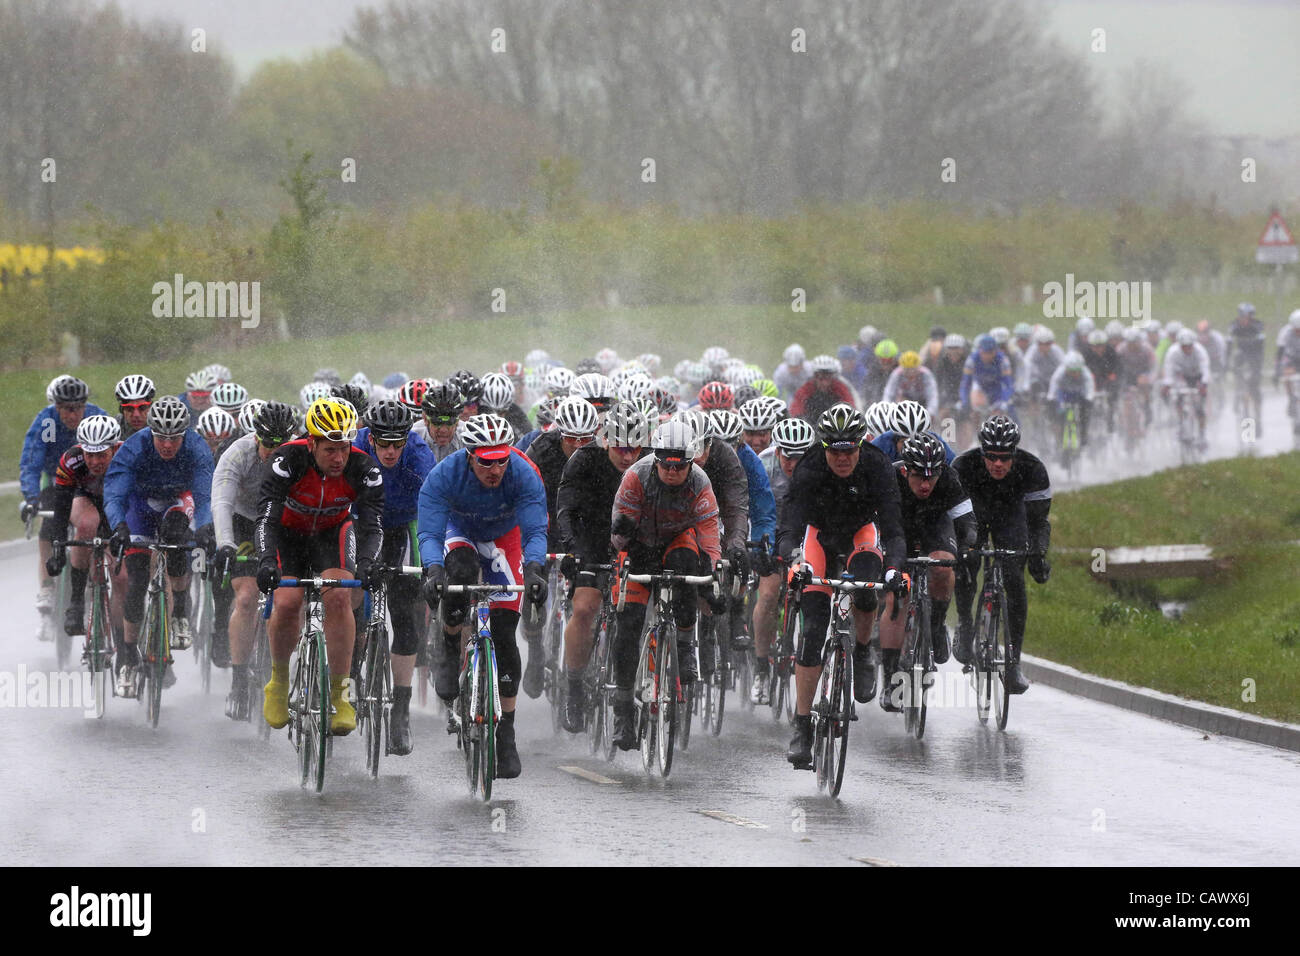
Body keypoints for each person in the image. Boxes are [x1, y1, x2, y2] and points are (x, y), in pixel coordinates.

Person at [417, 414, 548, 779]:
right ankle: (448, 640)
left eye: (502, 459)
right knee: (457, 573)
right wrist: (433, 569)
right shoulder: (444, 475)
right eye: (487, 462)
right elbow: (428, 532)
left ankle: (506, 731)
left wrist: (535, 568)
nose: (496, 469)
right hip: (458, 533)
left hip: (504, 538)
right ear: (470, 455)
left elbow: (536, 528)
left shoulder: (523, 472)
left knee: (505, 634)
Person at [776, 404, 906, 768]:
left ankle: (863, 652)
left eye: (850, 449)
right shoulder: (810, 468)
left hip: (860, 536)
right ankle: (802, 726)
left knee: (868, 585)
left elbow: (894, 528)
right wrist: (795, 561)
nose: (843, 458)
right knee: (814, 630)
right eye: (835, 450)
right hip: (819, 538)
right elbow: (791, 525)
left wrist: (895, 569)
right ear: (825, 447)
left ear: (861, 445)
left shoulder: (878, 466)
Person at [255, 398, 383, 736]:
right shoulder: (287, 460)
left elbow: (372, 525)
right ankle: (279, 683)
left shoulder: (364, 468)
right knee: (286, 602)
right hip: (287, 534)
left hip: (331, 533)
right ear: (310, 443)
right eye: (329, 450)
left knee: (339, 597)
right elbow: (266, 518)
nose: (339, 458)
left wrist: (368, 563)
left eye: (344, 448)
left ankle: (341, 694)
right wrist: (267, 559)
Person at [607, 419, 721, 750]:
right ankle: (623, 708)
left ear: (690, 463)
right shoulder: (635, 477)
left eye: (680, 466)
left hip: (677, 541)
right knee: (628, 623)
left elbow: (710, 534)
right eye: (665, 465)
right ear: (655, 459)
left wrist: (711, 574)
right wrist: (623, 532)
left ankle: (684, 647)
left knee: (689, 568)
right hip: (640, 545)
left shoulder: (700, 482)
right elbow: (618, 538)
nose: (672, 472)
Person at [103, 397, 215, 695]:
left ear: (184, 435)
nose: (167, 445)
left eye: (174, 438)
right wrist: (119, 526)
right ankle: (128, 657)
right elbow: (115, 494)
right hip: (140, 507)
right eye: (161, 437)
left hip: (178, 501)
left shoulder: (196, 447)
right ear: (150, 432)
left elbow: (205, 495)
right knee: (137, 581)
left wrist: (204, 526)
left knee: (178, 538)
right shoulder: (134, 447)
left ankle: (179, 612)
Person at [554, 402, 652, 731]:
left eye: (635, 449)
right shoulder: (584, 459)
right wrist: (571, 552)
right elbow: (566, 510)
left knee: (634, 616)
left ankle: (631, 690)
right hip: (590, 538)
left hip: (633, 539)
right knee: (584, 608)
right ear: (607, 440)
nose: (628, 457)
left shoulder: (651, 464)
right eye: (622, 448)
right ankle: (575, 688)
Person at [353, 399, 436, 754]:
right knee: (352, 602)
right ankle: (351, 677)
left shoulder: (419, 454)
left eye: (396, 444)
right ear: (370, 438)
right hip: (360, 523)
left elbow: (433, 505)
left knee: (406, 616)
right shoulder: (354, 446)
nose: (389, 451)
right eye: (382, 443)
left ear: (406, 439)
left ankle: (400, 712)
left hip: (403, 525)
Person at [951, 417, 1050, 695]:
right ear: (982, 453)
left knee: (1014, 580)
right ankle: (965, 623)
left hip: (1011, 518)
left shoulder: (1032, 469)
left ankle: (1013, 663)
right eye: (991, 457)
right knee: (968, 562)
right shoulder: (963, 466)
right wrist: (962, 548)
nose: (998, 464)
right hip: (973, 517)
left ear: (1014, 454)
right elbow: (952, 516)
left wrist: (1039, 554)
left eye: (1004, 458)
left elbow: (1039, 522)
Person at [877, 434, 975, 711]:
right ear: (905, 469)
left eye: (932, 477)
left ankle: (936, 626)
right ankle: (890, 680)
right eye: (919, 476)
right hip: (899, 531)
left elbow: (967, 521)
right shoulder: (890, 479)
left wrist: (967, 547)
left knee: (944, 565)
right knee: (897, 598)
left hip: (935, 527)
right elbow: (875, 522)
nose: (925, 484)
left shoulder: (949, 479)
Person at [211, 401, 296, 710]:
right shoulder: (239, 453)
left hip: (286, 521)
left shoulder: (302, 454)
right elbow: (221, 501)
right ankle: (238, 681)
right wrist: (225, 544)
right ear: (255, 436)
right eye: (266, 443)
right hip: (245, 520)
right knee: (246, 598)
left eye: (280, 444)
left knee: (292, 597)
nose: (272, 451)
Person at [516, 396, 599, 699]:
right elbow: (522, 491)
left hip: (581, 526)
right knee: (534, 589)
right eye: (571, 439)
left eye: (585, 440)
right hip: (546, 523)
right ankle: (537, 651)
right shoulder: (540, 450)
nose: (578, 446)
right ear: (558, 434)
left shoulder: (601, 452)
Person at [20, 375, 106, 628]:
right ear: (56, 406)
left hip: (90, 485)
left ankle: (93, 571)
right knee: (48, 526)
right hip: (57, 484)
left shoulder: (97, 416)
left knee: (97, 527)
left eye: (78, 407)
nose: (73, 414)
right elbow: (31, 461)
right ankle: (47, 586)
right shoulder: (45, 421)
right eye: (67, 409)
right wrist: (31, 498)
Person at [44, 416, 128, 647]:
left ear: (114, 448)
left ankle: (124, 645)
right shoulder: (71, 460)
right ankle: (76, 601)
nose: (94, 461)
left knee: (121, 578)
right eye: (89, 455)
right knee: (86, 525)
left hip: (119, 503)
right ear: (82, 449)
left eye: (101, 455)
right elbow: (61, 507)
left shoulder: (127, 455)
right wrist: (58, 547)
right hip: (86, 498)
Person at [750, 416, 818, 702]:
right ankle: (761, 669)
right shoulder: (763, 465)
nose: (793, 464)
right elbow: (752, 507)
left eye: (800, 457)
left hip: (806, 532)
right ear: (777, 451)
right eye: (788, 457)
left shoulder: (819, 467)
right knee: (767, 595)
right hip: (773, 529)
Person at [1161, 328, 1212, 448]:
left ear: (1193, 344)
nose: (1187, 349)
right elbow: (1169, 370)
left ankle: (1202, 435)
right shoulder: (1172, 352)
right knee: (1179, 398)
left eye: (1190, 346)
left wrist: (1204, 384)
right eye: (1184, 346)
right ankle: (1181, 424)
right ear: (1179, 345)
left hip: (1198, 377)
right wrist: (1167, 385)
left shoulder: (1200, 351)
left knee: (1199, 408)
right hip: (1182, 377)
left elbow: (1205, 368)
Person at [1047, 352, 1096, 447]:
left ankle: (1083, 434)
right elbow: (1054, 384)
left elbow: (1090, 386)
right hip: (1064, 394)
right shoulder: (1060, 372)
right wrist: (1051, 398)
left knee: (1084, 412)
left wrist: (1089, 398)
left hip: (1078, 394)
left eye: (1077, 371)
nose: (1074, 374)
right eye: (1071, 371)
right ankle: (1058, 434)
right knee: (1059, 413)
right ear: (1066, 368)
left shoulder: (1086, 372)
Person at [790, 355, 856, 423]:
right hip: (811, 424)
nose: (824, 383)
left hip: (835, 425)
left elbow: (850, 405)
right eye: (820, 378)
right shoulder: (806, 388)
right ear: (814, 377)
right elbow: (796, 407)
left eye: (827, 378)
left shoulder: (839, 387)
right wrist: (798, 419)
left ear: (832, 377)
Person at [882, 350, 939, 420]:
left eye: (913, 369)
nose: (910, 373)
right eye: (906, 370)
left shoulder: (926, 374)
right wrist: (886, 410)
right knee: (899, 400)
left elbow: (932, 395)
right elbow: (888, 393)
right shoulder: (897, 374)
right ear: (902, 367)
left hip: (922, 402)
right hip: (905, 401)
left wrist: (931, 412)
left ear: (918, 367)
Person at [418, 384, 466, 461]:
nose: (443, 430)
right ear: (425, 420)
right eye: (437, 422)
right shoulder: (413, 437)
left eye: (450, 422)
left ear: (457, 422)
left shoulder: (467, 436)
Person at [114, 374, 155, 440]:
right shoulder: (114, 427)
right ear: (121, 410)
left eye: (142, 408)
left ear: (151, 407)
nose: (136, 415)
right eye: (129, 409)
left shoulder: (161, 425)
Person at [861, 339, 900, 405]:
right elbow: (867, 390)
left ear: (895, 358)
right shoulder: (873, 370)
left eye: (889, 361)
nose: (886, 364)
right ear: (877, 358)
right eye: (883, 360)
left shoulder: (900, 370)